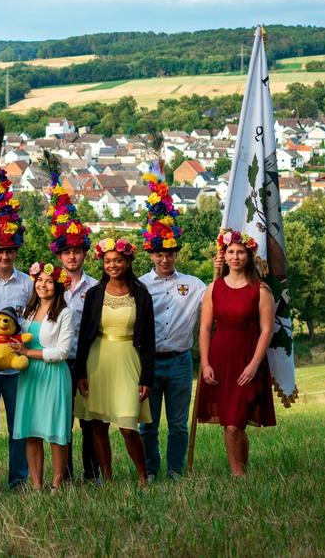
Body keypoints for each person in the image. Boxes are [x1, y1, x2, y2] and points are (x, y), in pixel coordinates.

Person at [137, 171, 206, 481]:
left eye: (170, 253)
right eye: (160, 254)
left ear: (177, 253)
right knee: (147, 424)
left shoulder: (194, 285)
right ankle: (151, 470)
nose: (165, 259)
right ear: (152, 254)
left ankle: (175, 471)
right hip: (149, 363)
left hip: (179, 361)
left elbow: (217, 302)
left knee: (178, 424)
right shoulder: (139, 286)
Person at [73, 238, 155, 486]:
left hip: (129, 358)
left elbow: (150, 339)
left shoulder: (141, 294)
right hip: (99, 358)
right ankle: (107, 477)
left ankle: (142, 477)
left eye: (118, 260)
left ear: (128, 261)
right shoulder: (95, 293)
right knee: (98, 424)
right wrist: (81, 373)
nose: (113, 265)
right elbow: (84, 335)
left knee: (128, 426)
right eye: (108, 261)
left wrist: (146, 377)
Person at [196, 230, 277, 476]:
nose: (235, 256)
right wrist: (206, 363)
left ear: (249, 256)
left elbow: (267, 331)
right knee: (229, 421)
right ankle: (238, 472)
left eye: (240, 252)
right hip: (220, 361)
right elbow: (205, 327)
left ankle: (238, 472)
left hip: (246, 361)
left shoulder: (260, 290)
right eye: (230, 252)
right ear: (224, 256)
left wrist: (254, 364)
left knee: (235, 422)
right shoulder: (214, 289)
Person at [0, 155, 31, 490]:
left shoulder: (27, 283)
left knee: (18, 426)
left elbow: (29, 323)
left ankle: (19, 479)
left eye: (10, 250)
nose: (5, 256)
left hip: (15, 367)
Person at [45, 167, 99, 482]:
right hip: (60, 361)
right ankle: (62, 475)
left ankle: (92, 473)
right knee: (61, 421)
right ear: (61, 256)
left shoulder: (95, 287)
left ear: (83, 254)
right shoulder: (52, 286)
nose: (73, 257)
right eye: (67, 253)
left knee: (90, 420)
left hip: (88, 359)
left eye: (77, 252)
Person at [12, 262, 74, 490]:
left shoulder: (64, 313)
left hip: (53, 375)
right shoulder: (28, 312)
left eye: (49, 281)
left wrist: (28, 352)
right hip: (30, 376)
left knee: (56, 432)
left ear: (57, 285)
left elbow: (62, 352)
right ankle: (36, 484)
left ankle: (57, 482)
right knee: (31, 431)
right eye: (39, 280)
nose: (43, 285)